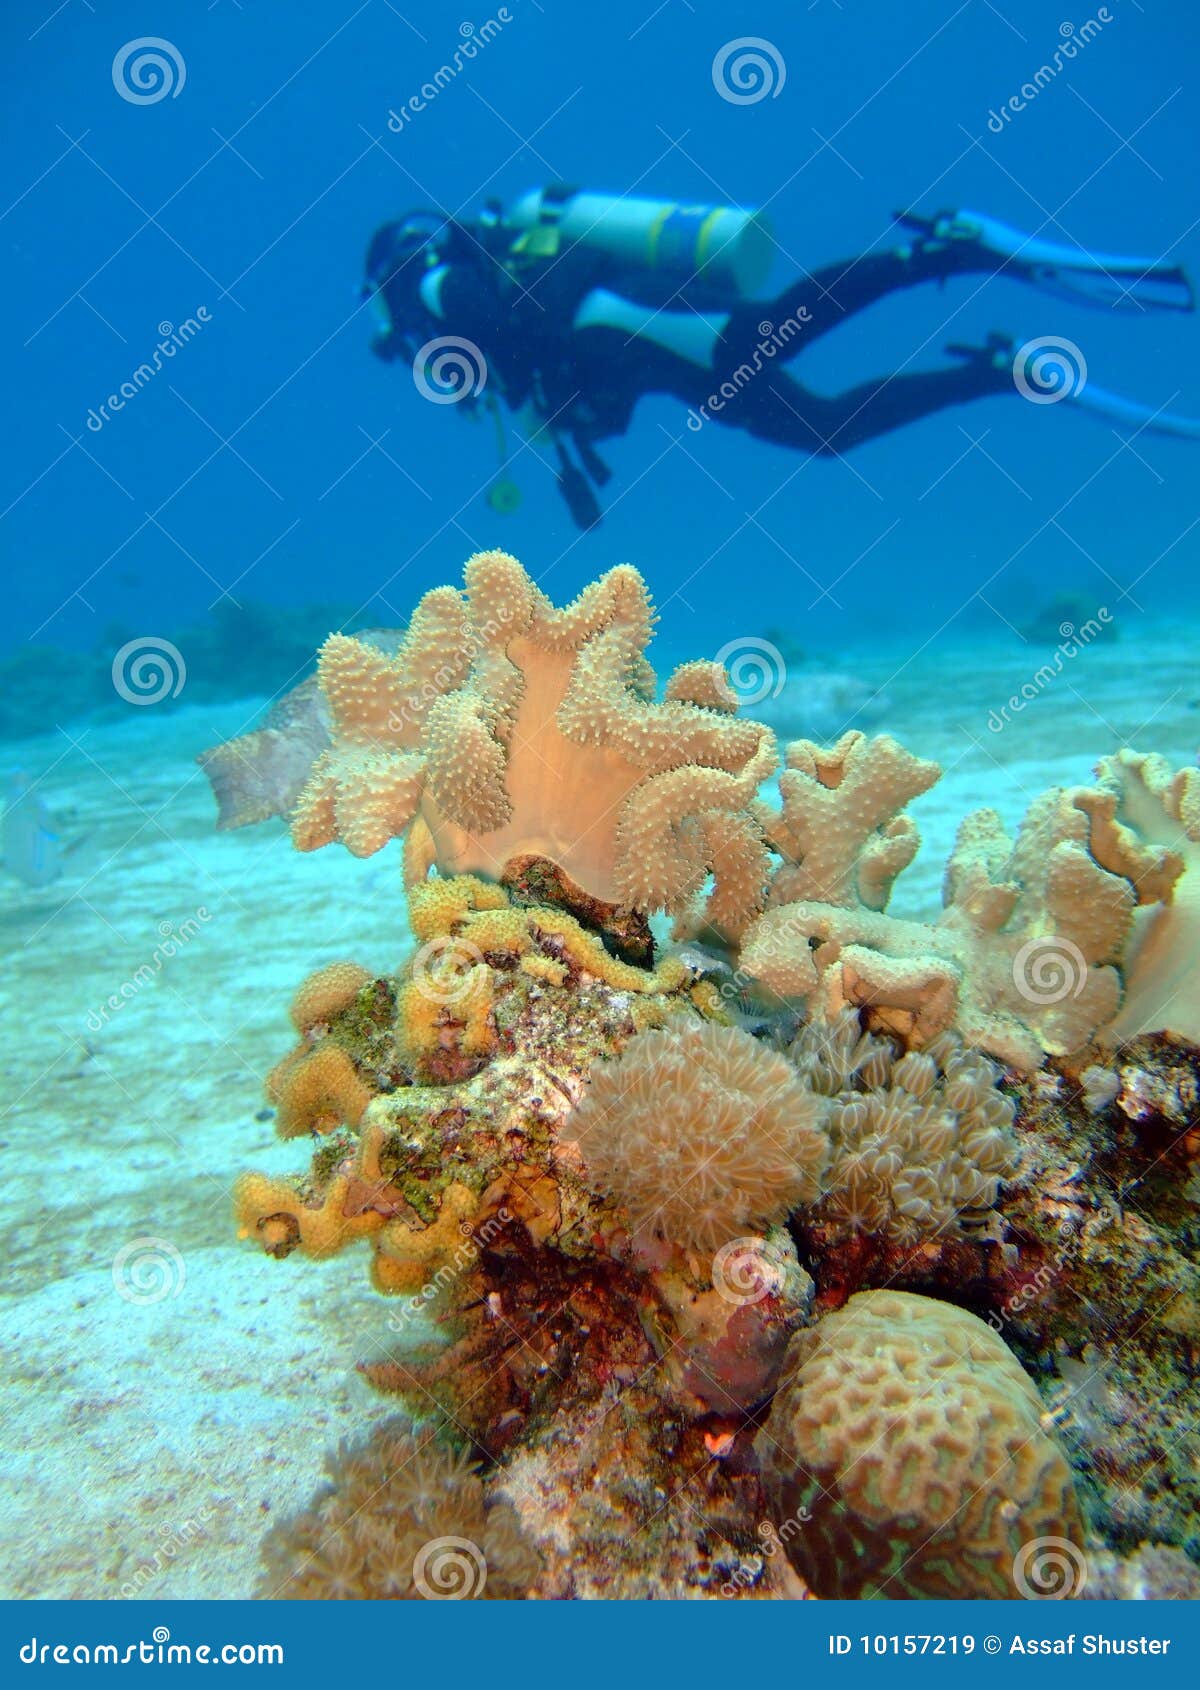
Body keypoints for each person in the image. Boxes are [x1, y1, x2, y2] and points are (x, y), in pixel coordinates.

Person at [362, 188, 1197, 529]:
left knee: (778, 326)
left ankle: (944, 250)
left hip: (622, 321)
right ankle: (998, 370)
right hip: (640, 350)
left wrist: (519, 382)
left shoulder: (428, 288)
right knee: (824, 431)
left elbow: (510, 330)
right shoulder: (449, 282)